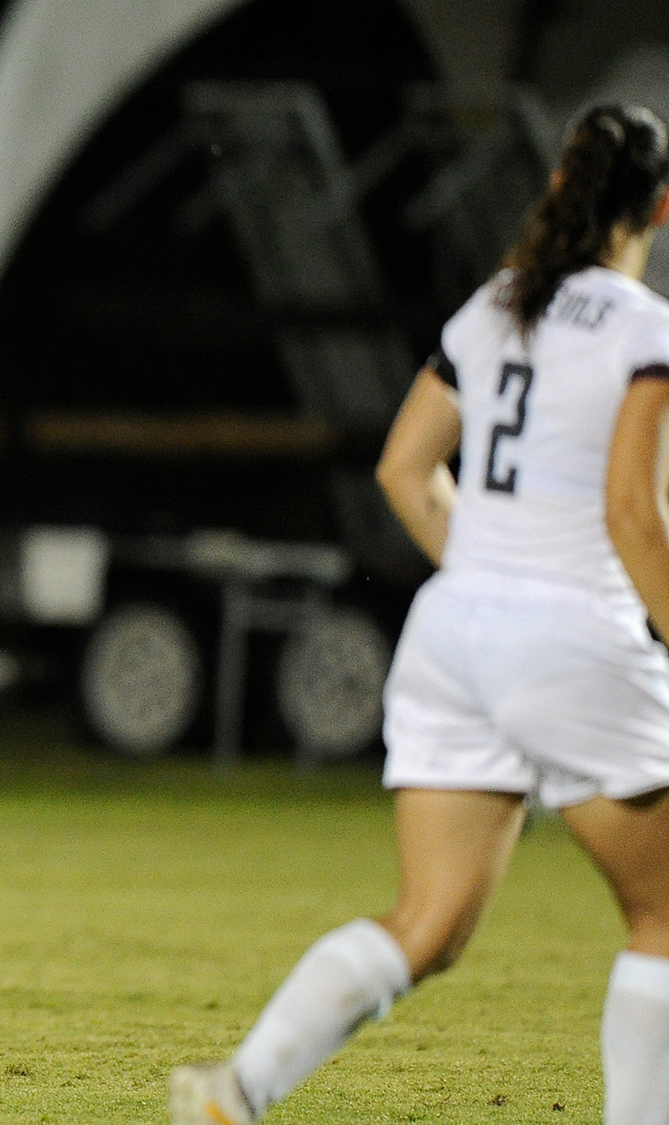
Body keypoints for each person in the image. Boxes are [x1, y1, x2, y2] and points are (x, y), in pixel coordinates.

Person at [169, 104, 669, 1125]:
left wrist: (487, 578)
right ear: (658, 206)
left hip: (450, 637)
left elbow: (404, 466)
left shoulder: (493, 307)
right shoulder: (643, 330)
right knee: (662, 921)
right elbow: (628, 510)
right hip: (570, 634)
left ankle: (239, 1089)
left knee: (427, 924)